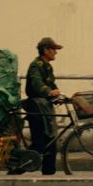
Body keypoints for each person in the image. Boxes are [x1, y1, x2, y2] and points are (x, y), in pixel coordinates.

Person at [24, 37, 63, 175]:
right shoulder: (36, 65)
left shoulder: (47, 66)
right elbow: (37, 83)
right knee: (40, 142)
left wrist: (59, 96)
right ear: (46, 50)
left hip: (45, 106)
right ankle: (18, 166)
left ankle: (49, 172)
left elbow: (51, 84)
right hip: (36, 107)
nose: (56, 53)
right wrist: (49, 92)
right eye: (53, 50)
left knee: (51, 139)